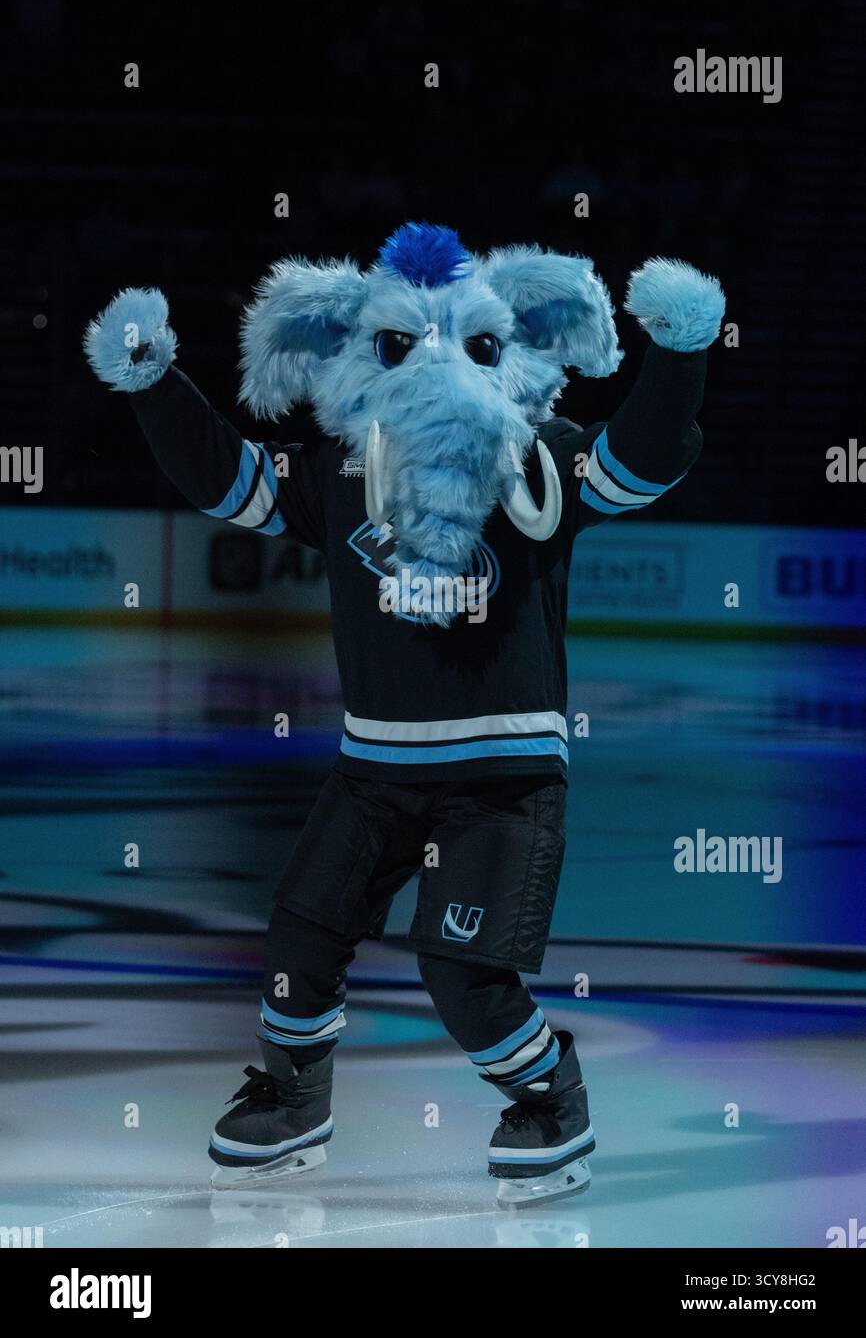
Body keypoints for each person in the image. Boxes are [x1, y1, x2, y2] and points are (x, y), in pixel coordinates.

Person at [85, 223, 724, 1206]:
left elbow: (640, 462)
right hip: (373, 769)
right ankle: (294, 1096)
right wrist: (155, 382)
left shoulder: (536, 459)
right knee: (301, 932)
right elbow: (227, 476)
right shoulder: (342, 473)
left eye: (470, 346)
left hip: (501, 781)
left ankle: (548, 1097)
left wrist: (676, 355)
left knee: (461, 971)